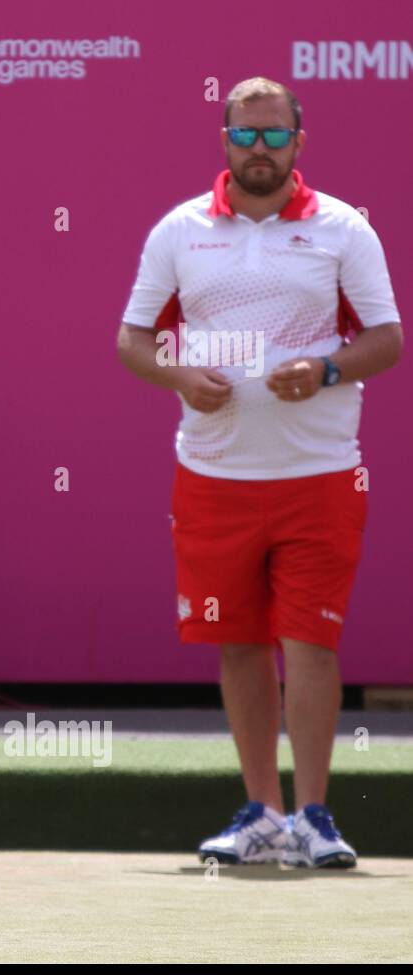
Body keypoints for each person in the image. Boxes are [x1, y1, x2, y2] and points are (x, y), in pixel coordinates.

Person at [118, 77, 401, 868]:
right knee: (238, 642)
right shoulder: (180, 229)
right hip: (212, 476)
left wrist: (325, 370)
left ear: (299, 143)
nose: (260, 150)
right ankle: (262, 814)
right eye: (246, 136)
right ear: (225, 140)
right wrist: (179, 377)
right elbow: (133, 340)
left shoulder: (344, 229)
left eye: (275, 136)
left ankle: (314, 816)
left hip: (320, 473)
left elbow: (386, 338)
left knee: (309, 641)